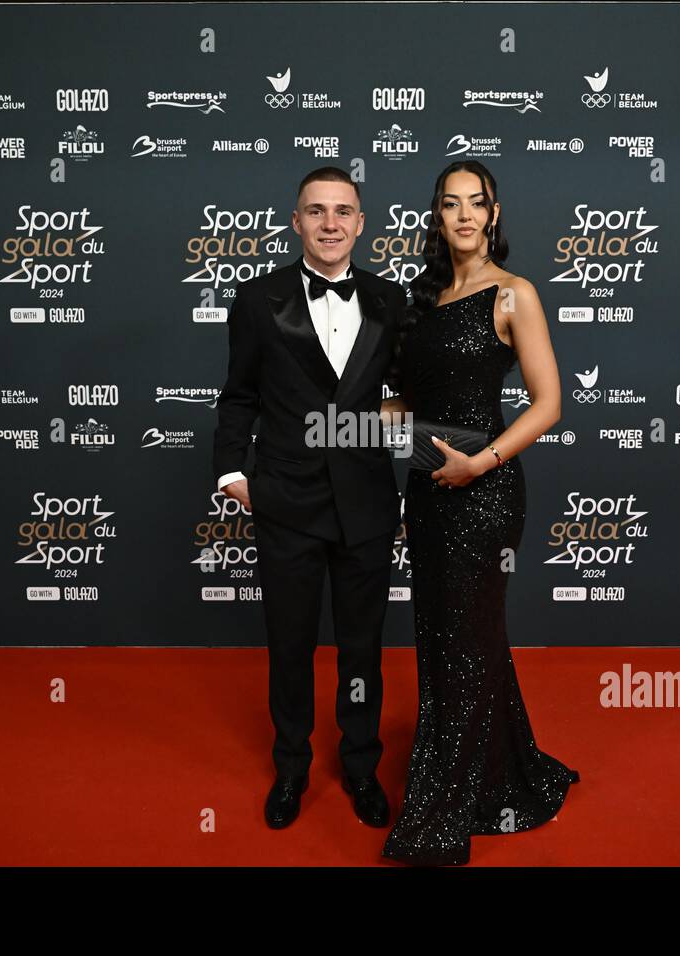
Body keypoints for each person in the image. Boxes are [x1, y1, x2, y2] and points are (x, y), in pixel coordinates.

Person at [378, 160, 579, 866]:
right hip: (429, 491)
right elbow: (405, 407)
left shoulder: (514, 295)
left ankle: (444, 813)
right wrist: (349, 421)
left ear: (493, 215)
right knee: (444, 640)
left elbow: (550, 403)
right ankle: (502, 774)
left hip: (486, 492)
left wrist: (482, 462)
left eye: (477, 203)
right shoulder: (420, 300)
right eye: (450, 204)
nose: (464, 215)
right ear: (436, 216)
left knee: (468, 642)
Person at [213, 167, 407, 830]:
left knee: (362, 649)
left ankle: (360, 765)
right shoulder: (257, 298)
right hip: (286, 502)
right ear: (295, 221)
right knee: (289, 645)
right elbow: (238, 394)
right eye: (317, 211)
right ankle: (291, 766)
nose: (331, 223)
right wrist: (231, 478)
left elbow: (409, 393)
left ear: (360, 222)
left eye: (343, 211)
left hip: (367, 506)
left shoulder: (389, 300)